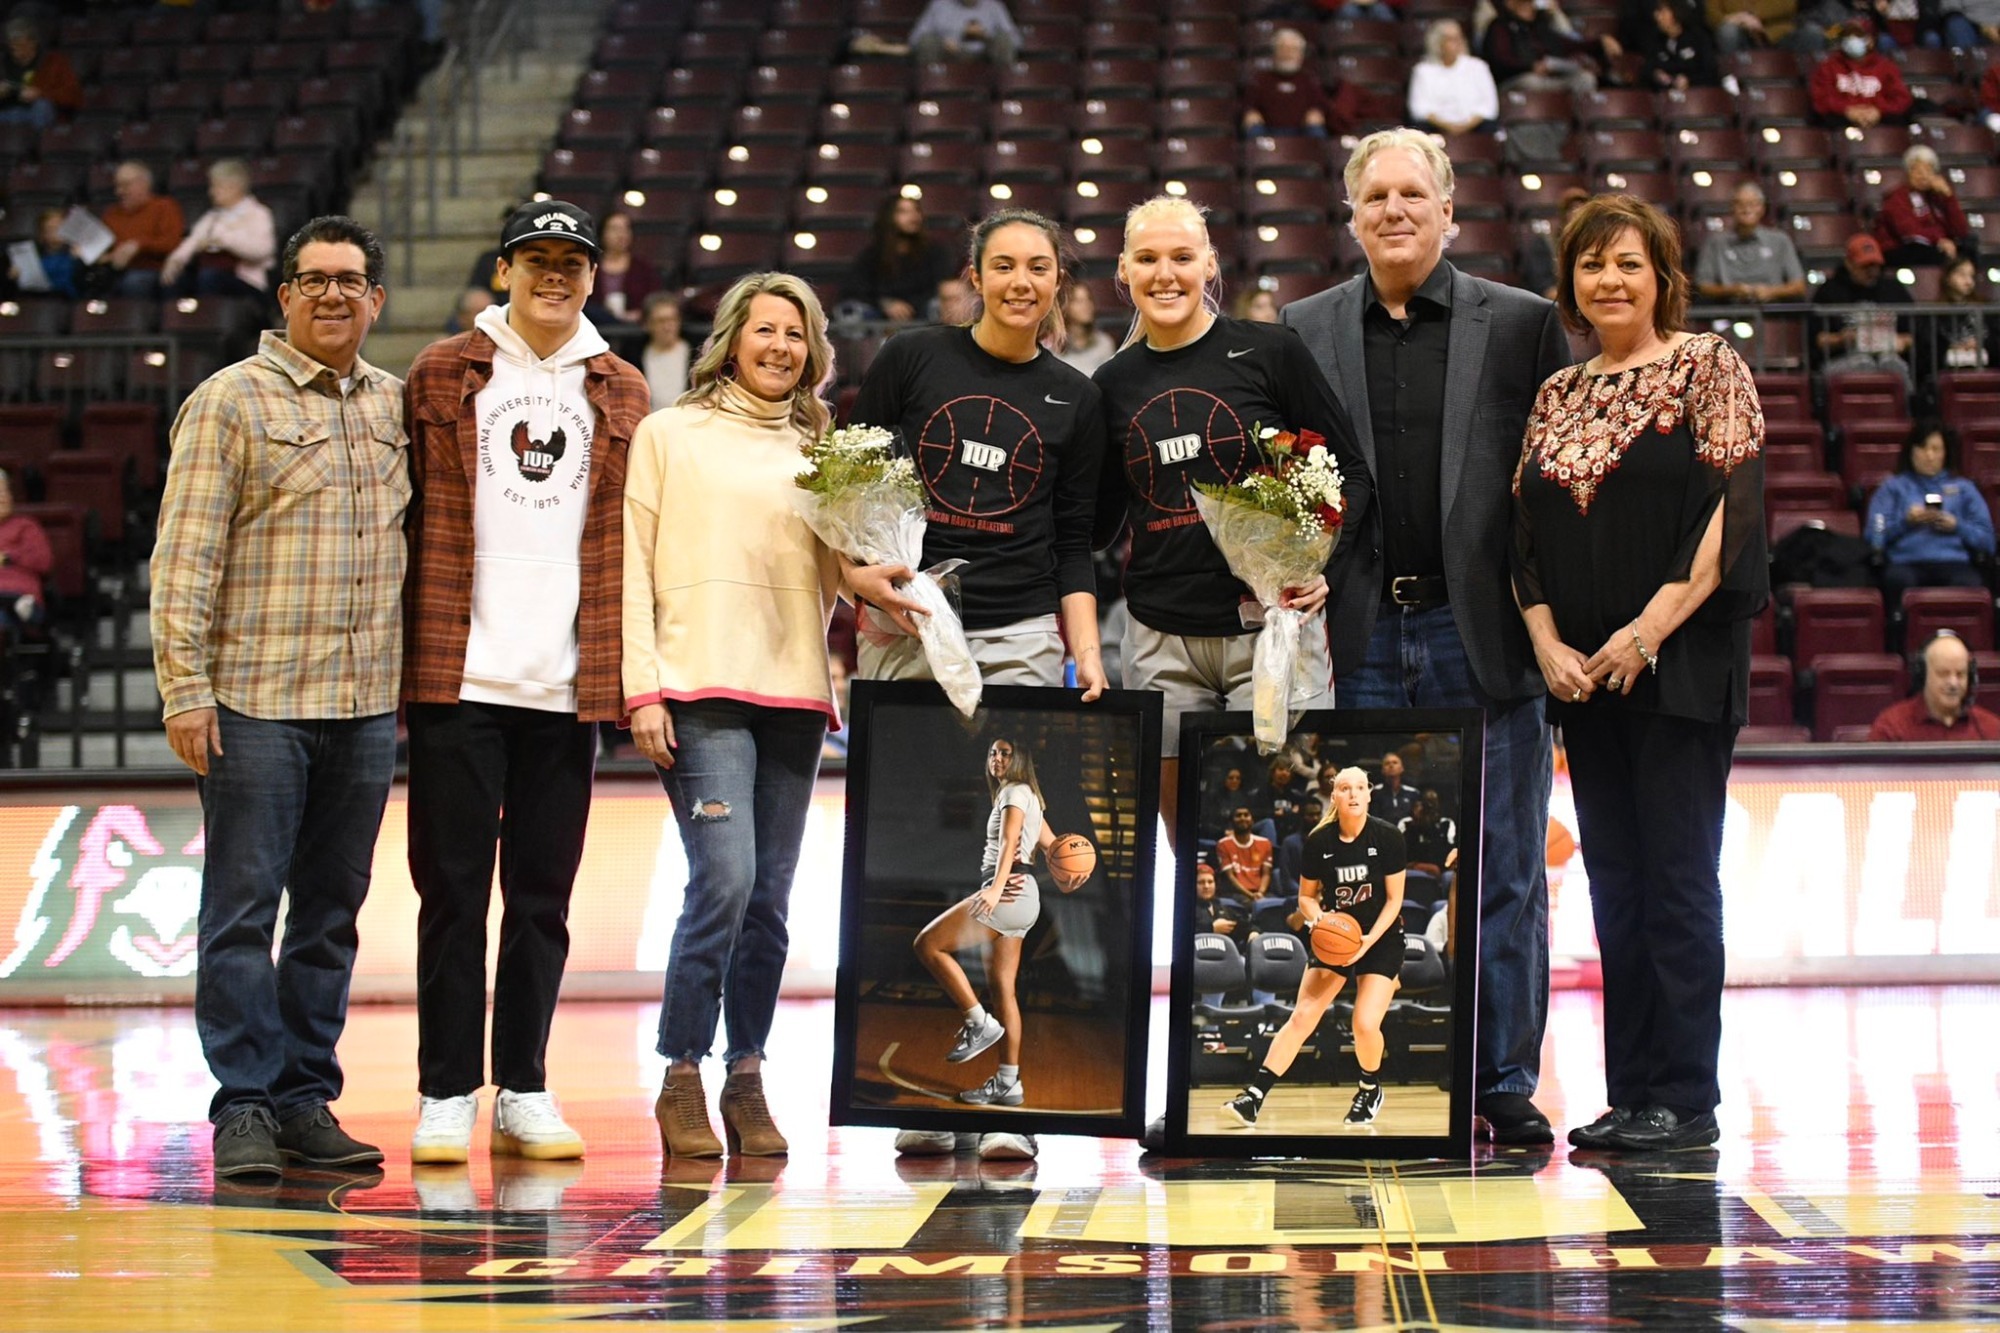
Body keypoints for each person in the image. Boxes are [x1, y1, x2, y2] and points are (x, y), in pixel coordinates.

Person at [1282, 128, 1569, 1147]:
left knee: (1501, 870)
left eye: (1413, 193)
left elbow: (1554, 487)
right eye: (1374, 197)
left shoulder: (1525, 324)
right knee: (1353, 876)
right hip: (1357, 633)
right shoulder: (1300, 327)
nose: (1393, 210)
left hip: (1479, 632)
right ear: (1350, 215)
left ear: (1448, 210)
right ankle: (1374, 1075)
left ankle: (1499, 1079)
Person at [624, 272, 913, 1159]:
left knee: (772, 903)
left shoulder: (822, 443)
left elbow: (830, 568)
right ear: (732, 338)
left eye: (797, 333)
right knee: (725, 880)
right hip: (697, 687)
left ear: (815, 351)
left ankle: (745, 1072)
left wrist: (873, 582)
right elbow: (630, 562)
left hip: (792, 692)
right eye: (766, 330)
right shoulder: (669, 433)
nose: (781, 346)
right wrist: (642, 688)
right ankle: (680, 1069)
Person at [849, 210, 1108, 1165]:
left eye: (1038, 267)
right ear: (974, 275)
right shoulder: (911, 357)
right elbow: (848, 491)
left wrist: (1088, 654)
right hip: (906, 631)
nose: (1019, 281)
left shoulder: (1073, 398)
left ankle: (1007, 1093)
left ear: (1059, 284)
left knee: (1005, 891)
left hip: (1022, 643)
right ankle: (941, 1086)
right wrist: (856, 581)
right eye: (1002, 264)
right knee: (900, 857)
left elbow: (1076, 543)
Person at [149, 216, 404, 1179]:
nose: (334, 295)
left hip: (364, 703)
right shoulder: (228, 401)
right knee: (243, 910)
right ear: (285, 295)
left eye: (351, 280)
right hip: (254, 699)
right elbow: (184, 559)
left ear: (376, 298)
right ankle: (244, 1102)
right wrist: (186, 689)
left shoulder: (391, 403)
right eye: (314, 280)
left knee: (332, 914)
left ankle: (305, 1098)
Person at [1513, 193, 1767, 1153]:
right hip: (1583, 679)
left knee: (1676, 881)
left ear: (1662, 274)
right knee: (1615, 886)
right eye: (1590, 265)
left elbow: (1728, 516)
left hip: (1678, 669)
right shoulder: (1559, 393)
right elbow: (1521, 535)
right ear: (1570, 283)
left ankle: (1686, 1098)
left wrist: (1643, 632)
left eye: (1628, 263)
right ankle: (1635, 1095)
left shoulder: (1708, 366)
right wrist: (1545, 641)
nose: (1608, 281)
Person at [401, 200, 650, 1166]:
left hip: (569, 683)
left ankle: (526, 1087)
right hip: (456, 675)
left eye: (572, 261)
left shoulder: (622, 386)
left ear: (593, 276)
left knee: (543, 897)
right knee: (452, 895)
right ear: (504, 268)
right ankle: (445, 1090)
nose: (556, 274)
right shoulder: (438, 370)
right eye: (537, 258)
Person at [1091, 195, 1368, 847]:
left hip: (1272, 625)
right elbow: (1098, 523)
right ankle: (1202, 952)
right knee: (1194, 847)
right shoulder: (1109, 384)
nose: (1166, 274)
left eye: (1183, 257)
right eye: (1149, 258)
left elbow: (1349, 470)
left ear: (1209, 265)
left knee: (1295, 834)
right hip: (1161, 638)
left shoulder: (1272, 351)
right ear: (1124, 271)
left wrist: (1326, 562)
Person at [1220, 767, 1407, 1130]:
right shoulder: (1320, 842)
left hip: (1380, 937)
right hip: (1335, 934)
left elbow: (1395, 901)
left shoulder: (1387, 837)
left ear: (1369, 794)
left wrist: (1367, 940)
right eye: (1343, 788)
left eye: (1359, 788)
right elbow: (1306, 897)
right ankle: (1253, 1098)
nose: (1352, 794)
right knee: (1303, 1015)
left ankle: (1369, 1088)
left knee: (1365, 1023)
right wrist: (1320, 919)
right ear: (1333, 796)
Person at [913, 737, 1071, 1110]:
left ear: (1021, 759)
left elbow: (1009, 840)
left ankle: (977, 1022)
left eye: (1005, 753)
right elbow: (1055, 846)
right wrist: (1073, 873)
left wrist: (996, 889)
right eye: (992, 753)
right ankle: (1008, 1083)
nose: (996, 758)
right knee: (1004, 990)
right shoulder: (1031, 795)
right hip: (1026, 894)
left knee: (927, 945)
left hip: (1008, 892)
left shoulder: (1014, 792)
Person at [1864, 422, 1995, 604]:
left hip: (1954, 563)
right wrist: (1905, 522)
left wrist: (1957, 526)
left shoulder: (1964, 489)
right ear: (1911, 451)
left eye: (1936, 449)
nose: (1929, 455)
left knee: (1969, 583)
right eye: (1923, 448)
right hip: (1906, 564)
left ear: (1945, 453)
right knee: (1898, 581)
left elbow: (1988, 541)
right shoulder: (1891, 488)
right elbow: (1873, 537)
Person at [161, 160, 278, 300]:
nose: (211, 192)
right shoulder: (212, 217)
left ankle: (209, 320)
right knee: (175, 280)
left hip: (247, 282)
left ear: (234, 187)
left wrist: (224, 239)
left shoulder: (259, 214)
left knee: (210, 278)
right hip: (212, 274)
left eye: (216, 186)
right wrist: (175, 260)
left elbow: (262, 250)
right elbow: (191, 242)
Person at [1813, 233, 1914, 389]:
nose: (1872, 271)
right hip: (1842, 358)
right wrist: (1843, 338)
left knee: (1893, 364)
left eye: (1875, 265)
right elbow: (1818, 339)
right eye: (1865, 266)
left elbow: (1912, 335)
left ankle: (1903, 411)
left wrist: (1901, 341)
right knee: (1863, 363)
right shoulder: (1829, 292)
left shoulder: (1893, 289)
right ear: (1849, 263)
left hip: (1888, 356)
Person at [1867, 630, 2000, 740]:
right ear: (1923, 676)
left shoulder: (1991, 729)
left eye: (1960, 674)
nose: (1953, 683)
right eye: (1943, 674)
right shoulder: (1890, 728)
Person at [1694, 183, 1808, 306]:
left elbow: (1799, 286)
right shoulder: (1715, 242)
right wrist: (1732, 290)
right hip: (1729, 308)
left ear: (1762, 208)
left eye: (1753, 204)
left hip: (1771, 309)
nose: (1746, 210)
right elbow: (1703, 286)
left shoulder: (1780, 240)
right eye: (1740, 204)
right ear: (1732, 207)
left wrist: (1771, 292)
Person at [849, 196, 957, 324]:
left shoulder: (935, 252)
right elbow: (857, 289)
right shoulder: (872, 255)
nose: (913, 216)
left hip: (923, 315)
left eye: (916, 210)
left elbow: (942, 286)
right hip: (881, 319)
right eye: (903, 212)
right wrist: (886, 304)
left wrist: (910, 306)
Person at [1483, 0, 1622, 98]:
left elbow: (1567, 44)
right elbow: (1500, 61)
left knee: (1585, 79)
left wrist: (1600, 42)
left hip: (1551, 77)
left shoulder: (1541, 26)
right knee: (1530, 82)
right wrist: (1531, 67)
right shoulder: (1499, 27)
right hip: (1519, 79)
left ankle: (1575, 130)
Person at [1873, 145, 1976, 270]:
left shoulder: (1937, 196)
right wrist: (1939, 240)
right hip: (1901, 249)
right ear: (1908, 172)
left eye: (1928, 171)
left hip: (1932, 246)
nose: (1923, 176)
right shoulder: (1896, 197)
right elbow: (1908, 231)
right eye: (1917, 170)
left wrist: (1949, 197)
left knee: (1970, 247)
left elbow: (1961, 230)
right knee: (1933, 254)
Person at [1243, 27, 1358, 138]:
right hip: (1268, 132)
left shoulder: (1309, 80)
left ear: (1300, 55)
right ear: (1274, 52)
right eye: (1283, 48)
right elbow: (1246, 105)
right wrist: (1250, 112)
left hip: (1302, 132)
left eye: (1293, 49)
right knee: (1253, 129)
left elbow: (1324, 106)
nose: (1287, 54)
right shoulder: (1260, 79)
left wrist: (1318, 112)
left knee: (1317, 131)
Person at [99, 161, 186, 299]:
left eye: (125, 185)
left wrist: (139, 245)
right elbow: (104, 249)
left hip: (154, 269)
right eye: (117, 186)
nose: (119, 191)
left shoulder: (164, 207)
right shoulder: (112, 214)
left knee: (134, 282)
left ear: (144, 184)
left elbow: (173, 243)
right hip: (115, 271)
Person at [1809, 19, 1911, 128]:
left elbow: (1901, 99)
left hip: (1880, 122)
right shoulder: (1828, 67)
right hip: (1840, 122)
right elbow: (1821, 99)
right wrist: (1847, 110)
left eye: (1858, 35)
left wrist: (1878, 111)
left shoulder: (1886, 67)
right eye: (1848, 36)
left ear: (1871, 40)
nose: (1852, 40)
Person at [1408, 19, 1502, 136]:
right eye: (1451, 39)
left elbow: (1489, 107)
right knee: (1419, 128)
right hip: (1436, 127)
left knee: (1490, 127)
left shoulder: (1478, 67)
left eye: (1460, 38)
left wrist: (1465, 127)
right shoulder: (1423, 71)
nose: (1458, 43)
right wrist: (1449, 127)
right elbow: (1419, 109)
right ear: (1438, 43)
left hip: (1473, 126)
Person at [1921, 255, 1996, 376]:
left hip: (1985, 367)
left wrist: (1982, 343)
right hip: (1947, 370)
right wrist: (1951, 346)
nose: (1968, 281)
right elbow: (1929, 347)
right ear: (1948, 278)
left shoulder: (1986, 306)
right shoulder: (1935, 311)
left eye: (1971, 276)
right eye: (1962, 275)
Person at [0, 16, 80, 128]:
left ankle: (40, 142)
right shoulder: (3, 62)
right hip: (7, 112)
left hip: (37, 112)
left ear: (33, 43)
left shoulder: (54, 61)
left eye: (21, 45)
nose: (16, 50)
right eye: (13, 46)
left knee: (42, 106)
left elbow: (72, 95)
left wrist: (40, 94)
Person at [586, 211, 660, 326]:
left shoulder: (643, 268)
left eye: (625, 229)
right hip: (596, 326)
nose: (621, 234)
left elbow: (654, 301)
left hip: (635, 329)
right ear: (603, 233)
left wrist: (640, 314)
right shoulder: (589, 266)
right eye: (615, 229)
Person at [0, 468, 51, 633]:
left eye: (4, 492)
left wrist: (9, 557)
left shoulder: (26, 526)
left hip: (19, 592)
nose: (1, 498)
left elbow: (44, 562)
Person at [908, 0, 1020, 66]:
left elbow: (1016, 40)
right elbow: (915, 38)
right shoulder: (939, 5)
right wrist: (942, 43)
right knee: (927, 42)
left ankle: (1002, 95)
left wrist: (987, 39)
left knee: (1003, 41)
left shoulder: (994, 6)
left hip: (984, 56)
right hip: (948, 55)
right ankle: (932, 90)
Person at [1642, 1, 1722, 90]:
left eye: (1662, 12)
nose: (1657, 16)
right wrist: (1656, 75)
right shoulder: (1656, 42)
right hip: (1665, 97)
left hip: (1696, 95)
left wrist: (1690, 80)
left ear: (1676, 12)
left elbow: (1710, 72)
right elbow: (1646, 71)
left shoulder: (1697, 38)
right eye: (1656, 12)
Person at [5, 208, 79, 299]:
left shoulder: (78, 253)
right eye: (51, 229)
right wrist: (14, 277)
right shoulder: (32, 256)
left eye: (60, 227)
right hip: (36, 300)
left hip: (68, 302)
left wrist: (79, 262)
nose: (57, 232)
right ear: (43, 234)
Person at [640, 291, 691, 410]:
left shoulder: (694, 353)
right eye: (661, 321)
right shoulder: (637, 357)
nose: (668, 327)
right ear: (647, 324)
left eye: (673, 320)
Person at [1216, 806, 1275, 903]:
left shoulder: (1265, 843)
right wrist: (1251, 896)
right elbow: (1230, 877)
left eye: (1246, 815)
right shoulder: (1223, 844)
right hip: (1236, 893)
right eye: (1238, 816)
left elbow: (1266, 874)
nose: (1242, 818)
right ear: (1232, 821)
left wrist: (1260, 893)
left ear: (1252, 820)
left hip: (1260, 892)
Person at [1055, 281, 1116, 376]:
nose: (1086, 306)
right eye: (1079, 301)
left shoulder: (1104, 343)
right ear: (1065, 306)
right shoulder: (1053, 346)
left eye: (1089, 300)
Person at [1372, 749, 1419, 824]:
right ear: (1382, 770)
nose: (1391, 765)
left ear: (1402, 768)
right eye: (1387, 763)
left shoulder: (1413, 793)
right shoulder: (1374, 792)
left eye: (1395, 763)